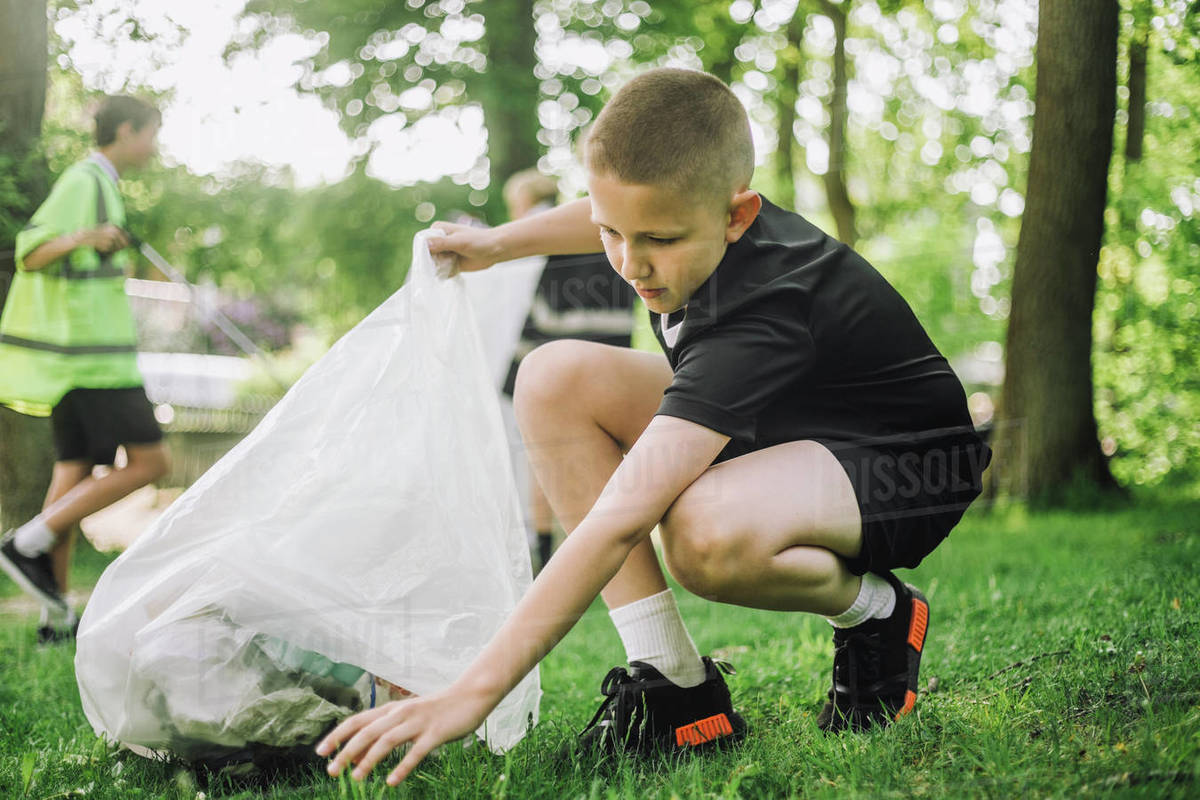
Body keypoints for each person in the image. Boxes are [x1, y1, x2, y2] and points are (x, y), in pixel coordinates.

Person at [316, 67, 992, 785]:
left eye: (658, 241)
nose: (630, 263)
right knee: (552, 379)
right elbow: (617, 209)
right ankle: (674, 687)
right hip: (796, 421)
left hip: (906, 466)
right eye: (613, 232)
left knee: (701, 536)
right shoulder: (674, 221)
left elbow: (617, 523)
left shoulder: (759, 313)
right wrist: (499, 246)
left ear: (737, 215)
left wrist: (471, 693)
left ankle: (876, 612)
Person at [0, 95, 170, 644]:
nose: (154, 145)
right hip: (97, 362)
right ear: (126, 130)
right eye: (151, 133)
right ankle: (27, 541)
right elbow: (30, 251)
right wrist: (84, 237)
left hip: (82, 360)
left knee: (73, 472)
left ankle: (56, 613)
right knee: (153, 462)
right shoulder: (85, 181)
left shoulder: (104, 185)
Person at [500, 168, 636, 572]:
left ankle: (548, 558)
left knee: (544, 462)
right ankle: (608, 556)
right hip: (612, 355)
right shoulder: (600, 233)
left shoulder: (542, 241)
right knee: (607, 463)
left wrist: (512, 373)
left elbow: (530, 310)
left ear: (523, 202)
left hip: (554, 361)